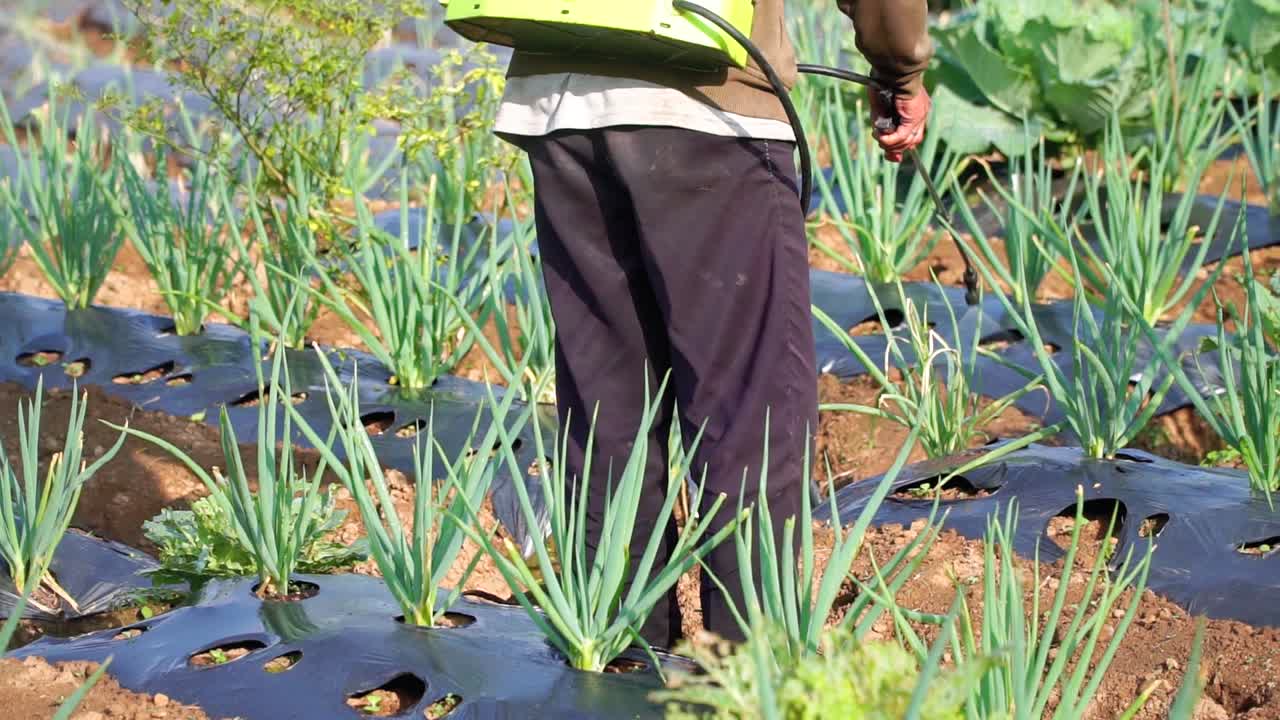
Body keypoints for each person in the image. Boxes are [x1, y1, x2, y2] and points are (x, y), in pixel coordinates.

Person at [492, 0, 933, 649]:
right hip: (706, 92)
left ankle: (619, 665)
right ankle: (748, 678)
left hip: (560, 89)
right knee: (746, 414)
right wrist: (899, 70)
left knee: (609, 411)